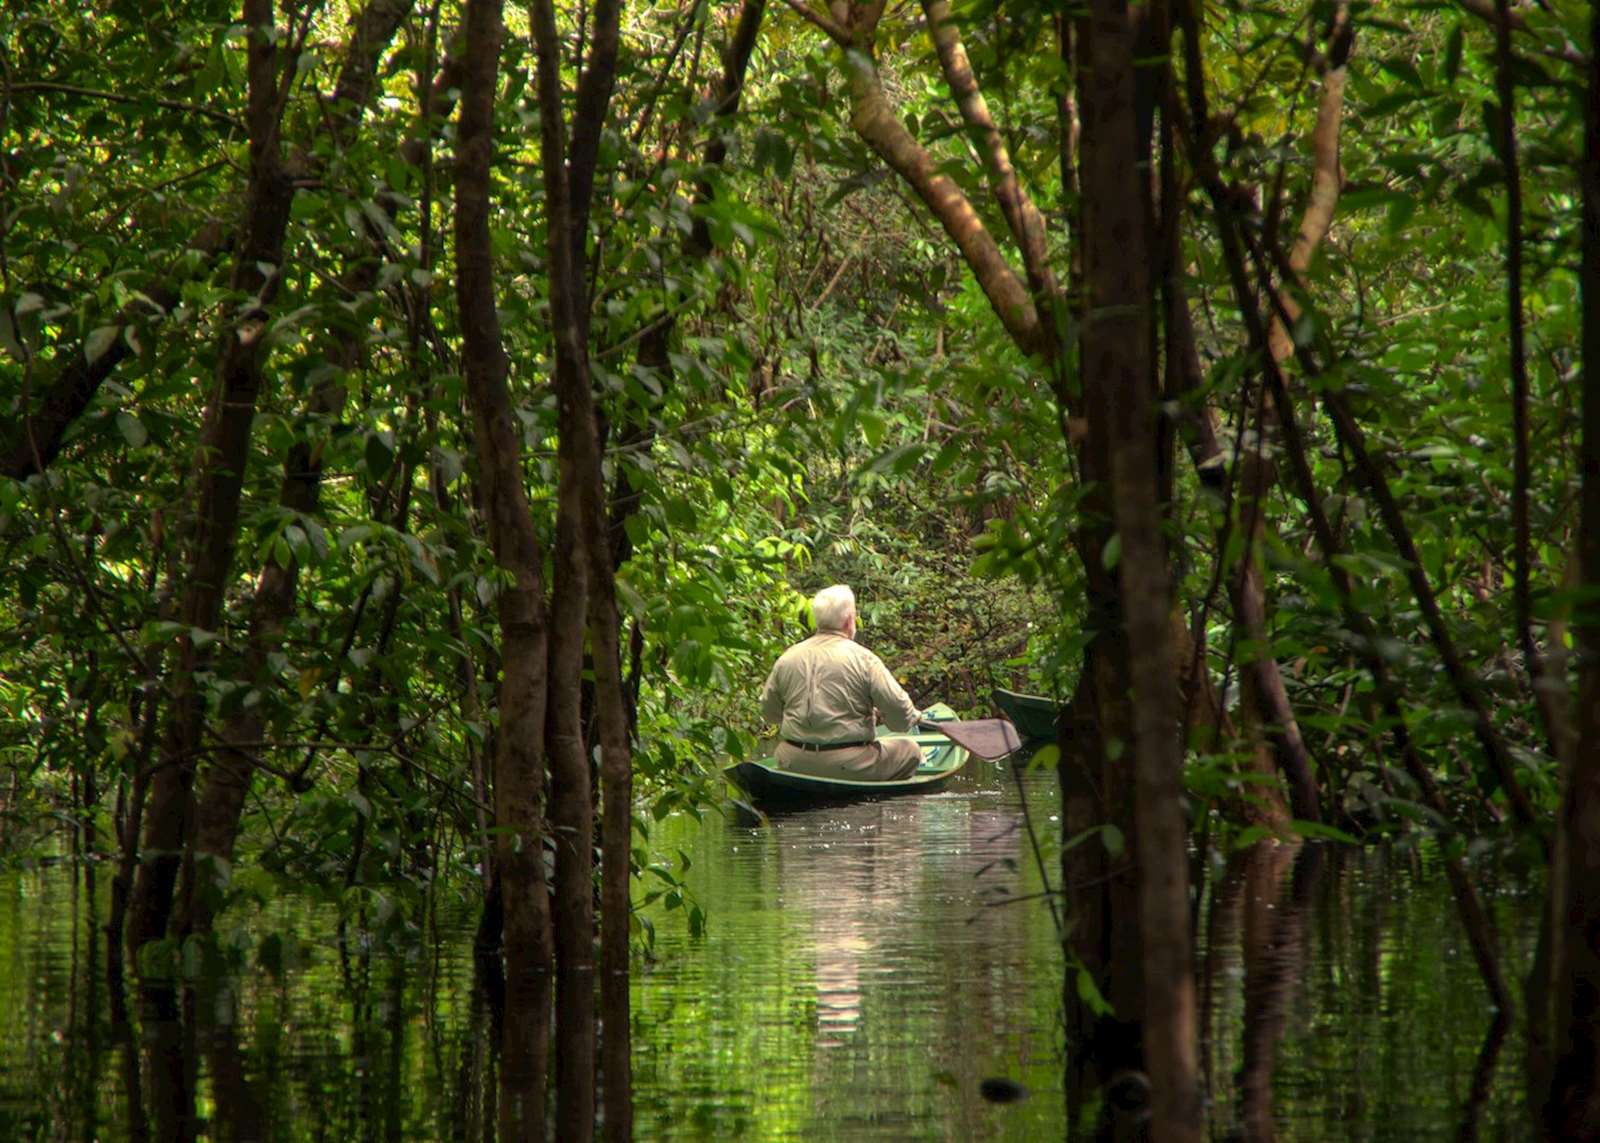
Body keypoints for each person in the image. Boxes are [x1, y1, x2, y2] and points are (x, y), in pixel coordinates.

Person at [760, 584, 924, 781]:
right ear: (849, 620)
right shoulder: (864, 659)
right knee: (911, 750)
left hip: (792, 762)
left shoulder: (788, 657)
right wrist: (912, 716)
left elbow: (769, 714)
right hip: (850, 765)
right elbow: (900, 718)